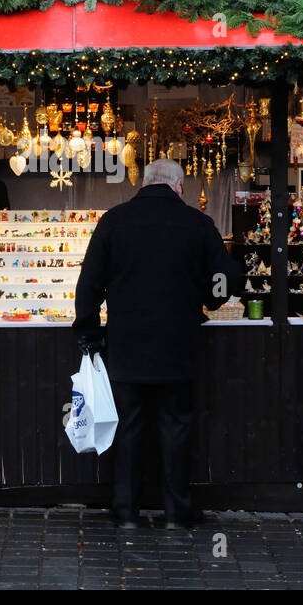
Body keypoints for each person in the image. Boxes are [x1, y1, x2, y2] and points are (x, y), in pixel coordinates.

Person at [73, 158, 242, 529]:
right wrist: (209, 299)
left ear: (145, 183)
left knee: (129, 428)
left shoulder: (113, 221)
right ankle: (176, 513)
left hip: (126, 346)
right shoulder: (197, 224)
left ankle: (126, 512)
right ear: (178, 186)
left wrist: (87, 330)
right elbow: (225, 277)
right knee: (175, 427)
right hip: (177, 345)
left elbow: (88, 284)